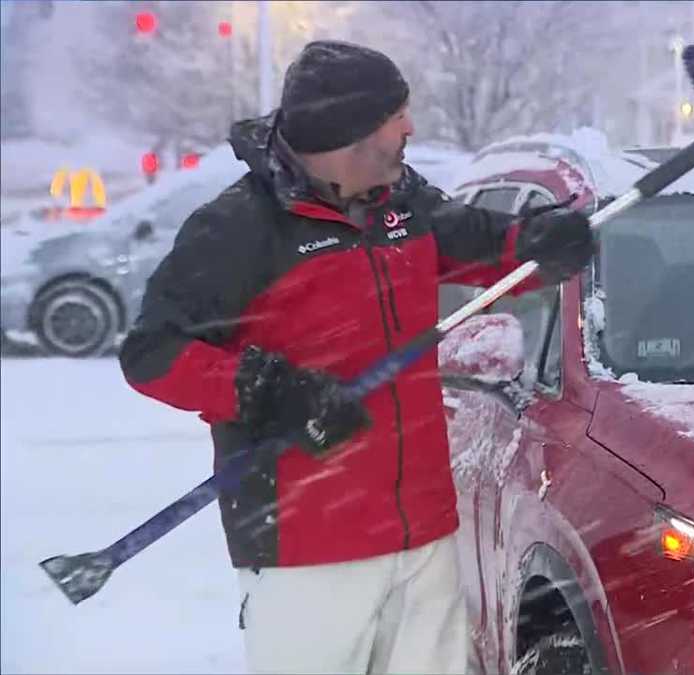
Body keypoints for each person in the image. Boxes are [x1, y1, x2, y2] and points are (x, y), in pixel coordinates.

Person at [118, 40, 595, 674]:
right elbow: (152, 354)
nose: (410, 129)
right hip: (307, 550)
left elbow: (479, 244)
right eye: (397, 115)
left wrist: (538, 242)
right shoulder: (237, 229)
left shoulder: (400, 200)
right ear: (352, 133)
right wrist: (270, 391)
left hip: (423, 532)